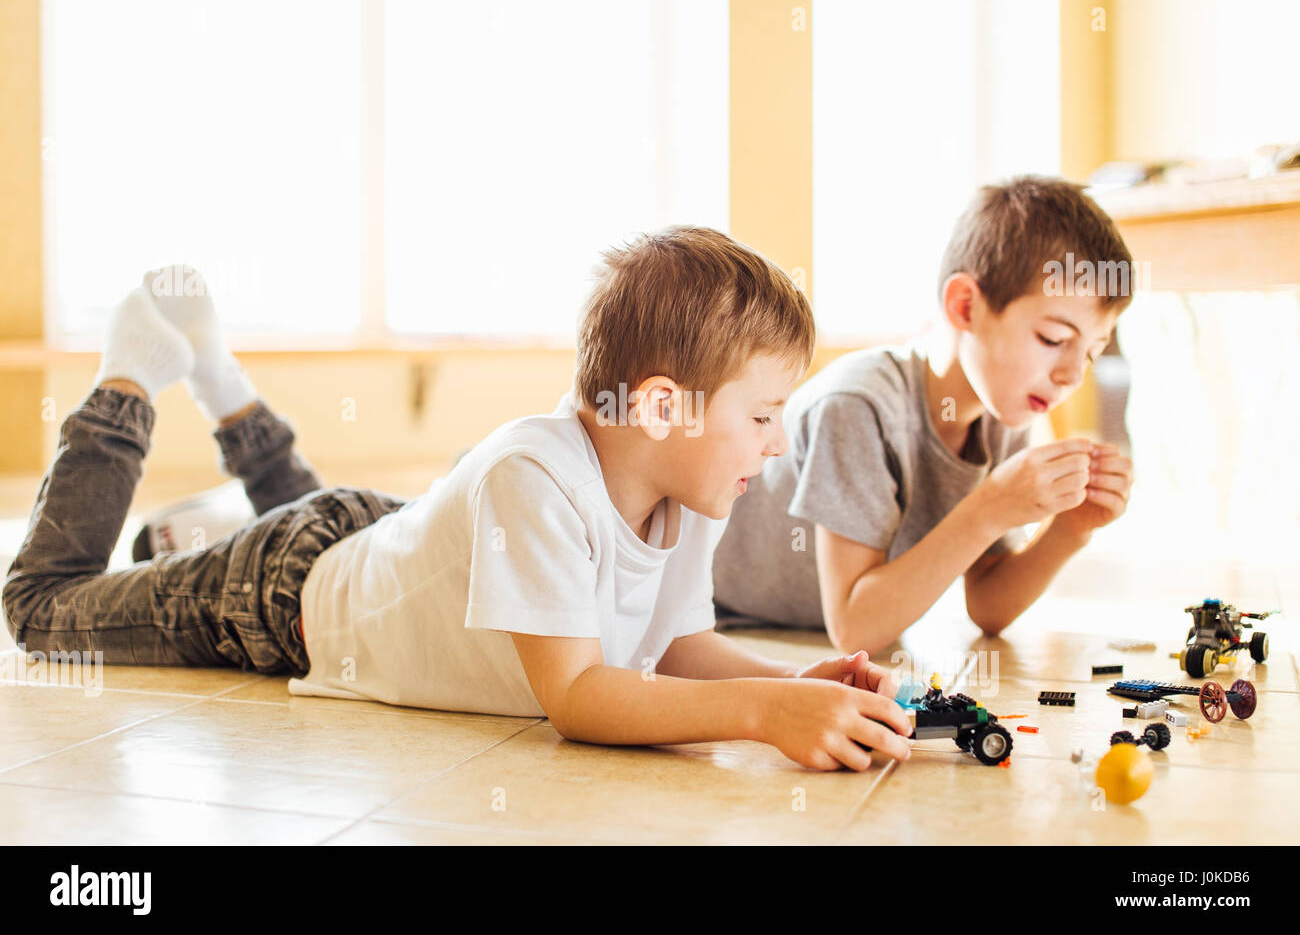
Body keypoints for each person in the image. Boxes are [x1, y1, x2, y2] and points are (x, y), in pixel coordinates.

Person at [3, 230, 913, 773]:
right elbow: (582, 699)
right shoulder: (533, 474)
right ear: (660, 406)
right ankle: (133, 375)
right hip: (278, 598)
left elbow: (671, 646)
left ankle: (222, 382)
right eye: (761, 414)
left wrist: (795, 682)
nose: (778, 440)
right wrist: (762, 714)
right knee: (45, 611)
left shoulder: (690, 487)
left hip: (370, 543)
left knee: (349, 543)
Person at [711, 176, 1136, 653]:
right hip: (716, 619)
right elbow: (856, 629)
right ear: (965, 306)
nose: (1072, 375)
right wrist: (991, 505)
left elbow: (989, 607)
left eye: (1092, 353)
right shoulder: (859, 406)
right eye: (1053, 340)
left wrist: (1069, 528)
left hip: (800, 635)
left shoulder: (1003, 413)